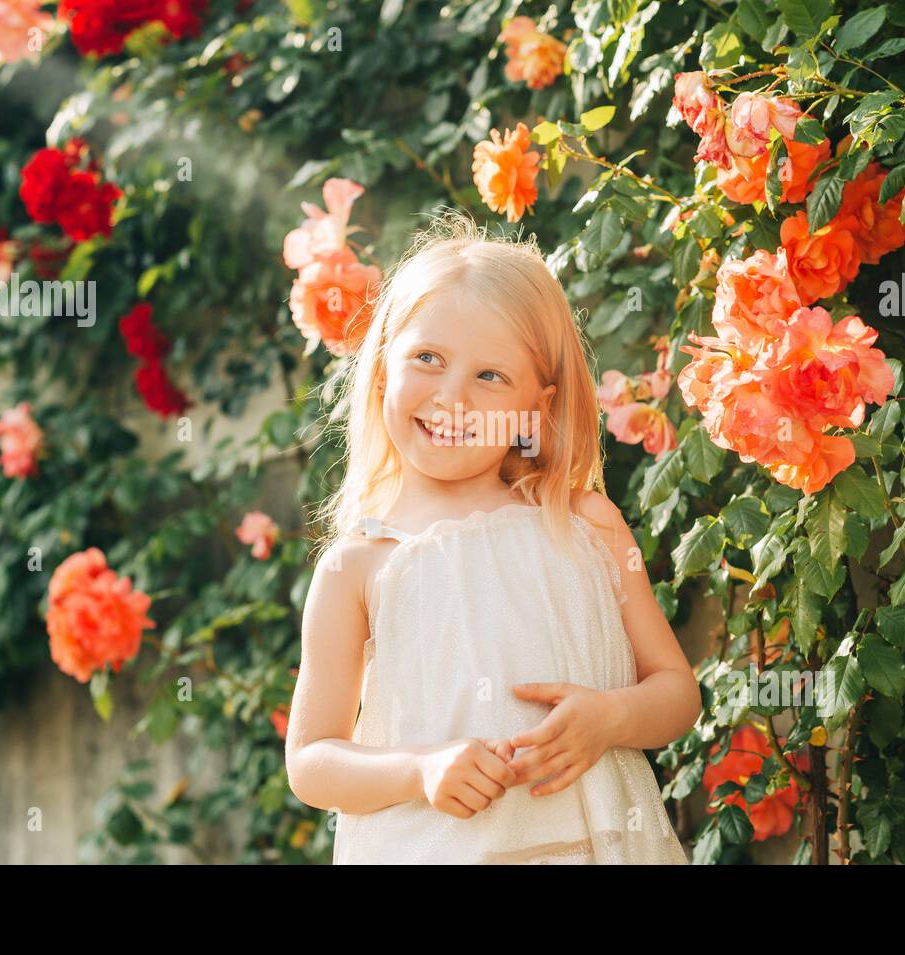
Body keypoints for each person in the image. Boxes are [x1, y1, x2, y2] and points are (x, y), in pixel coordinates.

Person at [285, 209, 698, 864]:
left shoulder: (585, 523)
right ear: (384, 364)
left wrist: (613, 719)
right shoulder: (361, 564)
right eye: (427, 358)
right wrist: (418, 769)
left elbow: (677, 691)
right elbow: (311, 760)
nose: (453, 397)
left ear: (538, 403)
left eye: (490, 376)